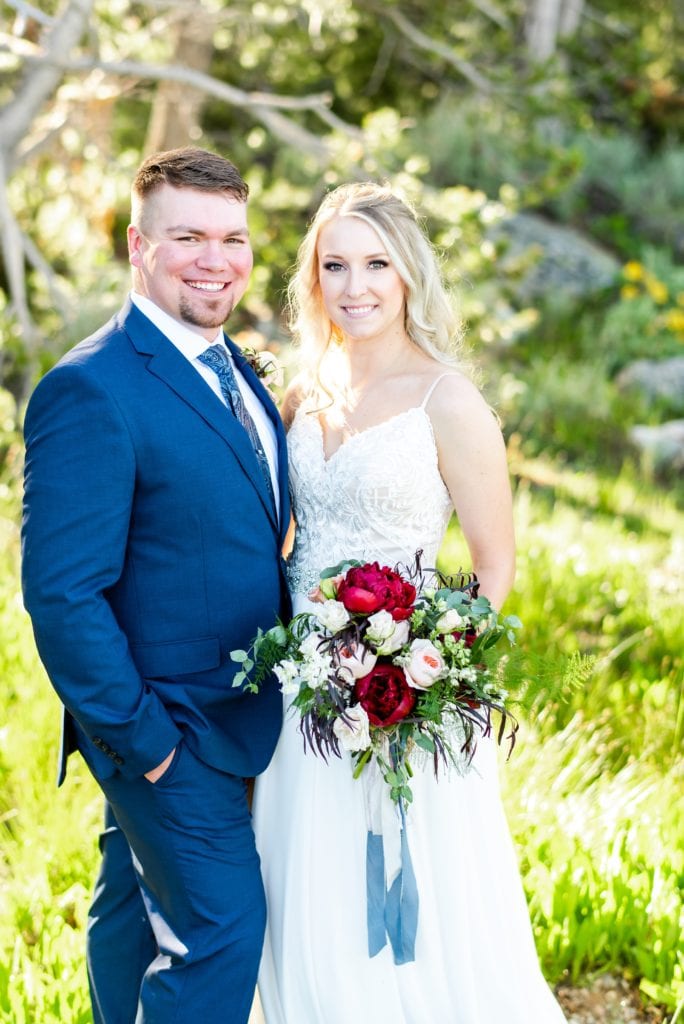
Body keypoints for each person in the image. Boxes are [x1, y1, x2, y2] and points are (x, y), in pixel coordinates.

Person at [252, 182, 567, 1022]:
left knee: (419, 903)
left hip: (408, 703)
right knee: (302, 885)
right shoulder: (299, 396)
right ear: (313, 280)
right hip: (302, 696)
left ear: (407, 275)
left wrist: (423, 675)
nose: (354, 285)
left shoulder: (447, 400)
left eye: (375, 265)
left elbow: (494, 568)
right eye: (335, 265)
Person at [21, 146, 291, 1024]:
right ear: (139, 247)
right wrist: (148, 742)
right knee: (221, 933)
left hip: (238, 717)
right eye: (189, 237)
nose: (217, 259)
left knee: (131, 923)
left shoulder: (239, 371)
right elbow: (62, 595)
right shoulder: (90, 389)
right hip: (167, 727)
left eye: (233, 238)